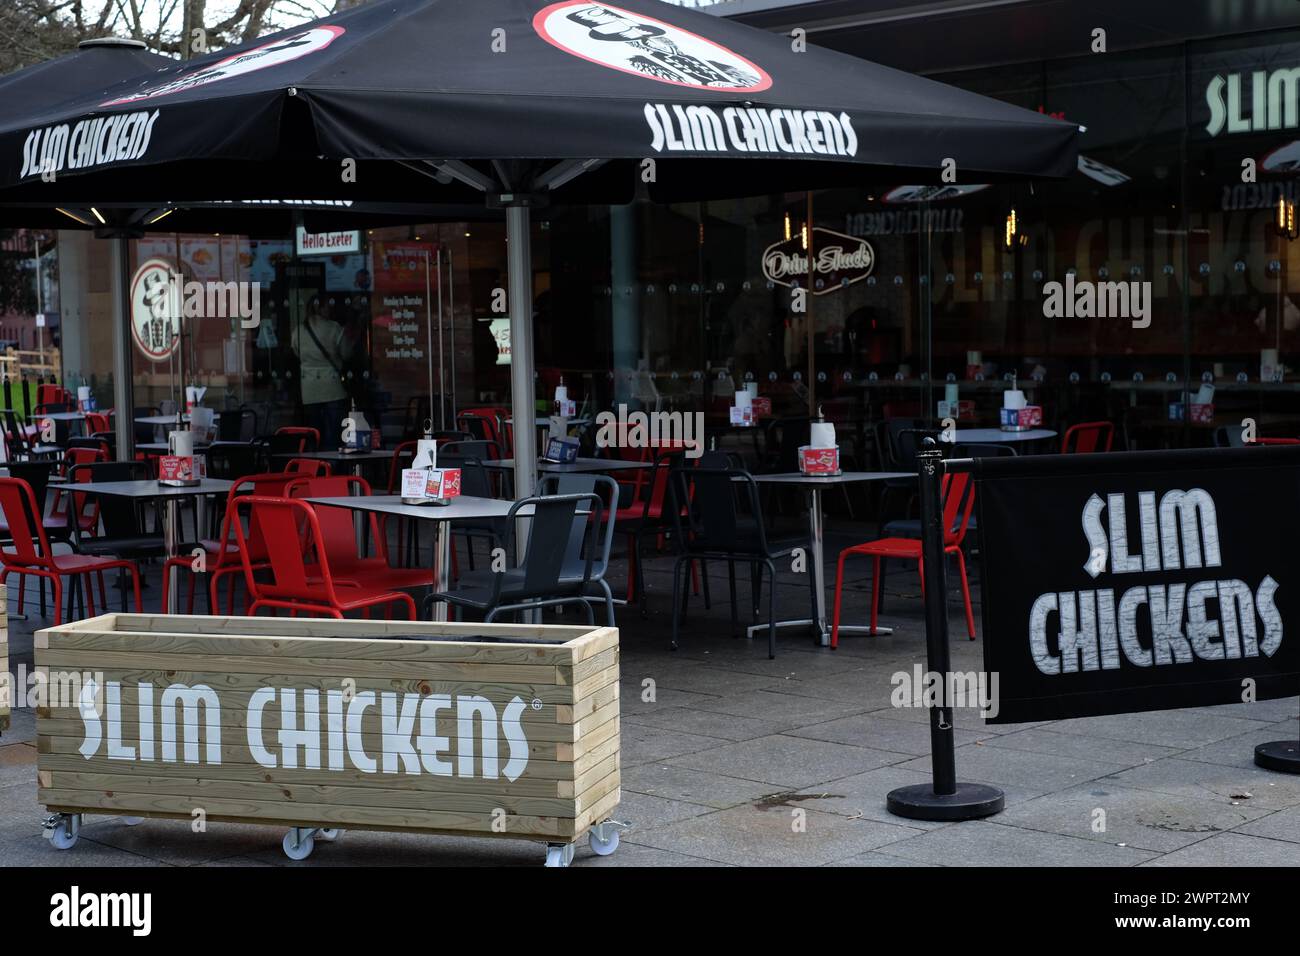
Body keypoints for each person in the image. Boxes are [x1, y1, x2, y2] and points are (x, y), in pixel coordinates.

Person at [295, 298, 352, 441]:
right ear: (319, 309)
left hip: (309, 388)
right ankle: (332, 461)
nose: (330, 310)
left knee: (313, 431)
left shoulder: (299, 330)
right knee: (334, 431)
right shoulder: (334, 328)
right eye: (327, 307)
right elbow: (346, 353)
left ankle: (315, 459)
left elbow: (296, 351)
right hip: (332, 386)